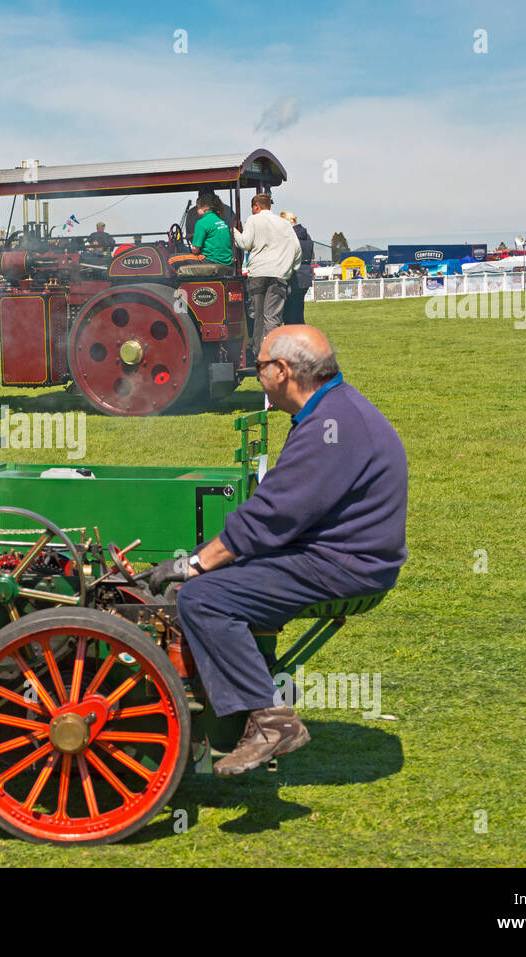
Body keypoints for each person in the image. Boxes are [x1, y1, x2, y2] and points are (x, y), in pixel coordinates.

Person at [147, 325, 408, 775]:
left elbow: (273, 516)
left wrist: (195, 564)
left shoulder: (331, 426)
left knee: (203, 597)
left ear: (282, 372)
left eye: (259, 367)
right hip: (341, 551)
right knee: (210, 575)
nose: (256, 376)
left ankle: (271, 721)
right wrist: (203, 558)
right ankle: (228, 705)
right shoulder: (334, 410)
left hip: (345, 563)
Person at [234, 193, 301, 356]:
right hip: (279, 274)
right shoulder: (284, 224)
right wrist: (290, 269)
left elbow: (245, 243)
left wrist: (235, 231)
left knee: (258, 316)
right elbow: (297, 249)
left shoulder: (253, 220)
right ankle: (271, 352)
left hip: (258, 274)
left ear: (256, 206)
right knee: (272, 318)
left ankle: (259, 352)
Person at [279, 210, 313, 325]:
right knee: (299, 311)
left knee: (289, 314)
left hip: (294, 276)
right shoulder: (306, 236)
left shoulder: (290, 236)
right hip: (305, 275)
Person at [190, 196, 234, 267]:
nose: (196, 210)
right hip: (227, 261)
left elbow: (195, 250)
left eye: (197, 207)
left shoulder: (201, 222)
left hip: (211, 260)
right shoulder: (222, 221)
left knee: (172, 258)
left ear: (204, 207)